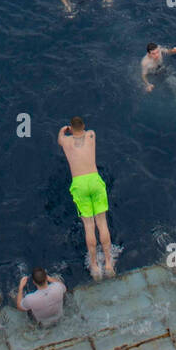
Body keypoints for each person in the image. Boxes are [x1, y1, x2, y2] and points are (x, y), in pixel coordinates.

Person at [58, 118, 114, 279]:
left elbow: (60, 137)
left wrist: (65, 129)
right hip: (95, 180)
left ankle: (95, 266)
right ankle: (109, 264)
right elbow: (85, 131)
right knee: (102, 223)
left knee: (89, 226)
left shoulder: (66, 141)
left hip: (80, 184)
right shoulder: (91, 135)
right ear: (83, 126)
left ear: (71, 128)